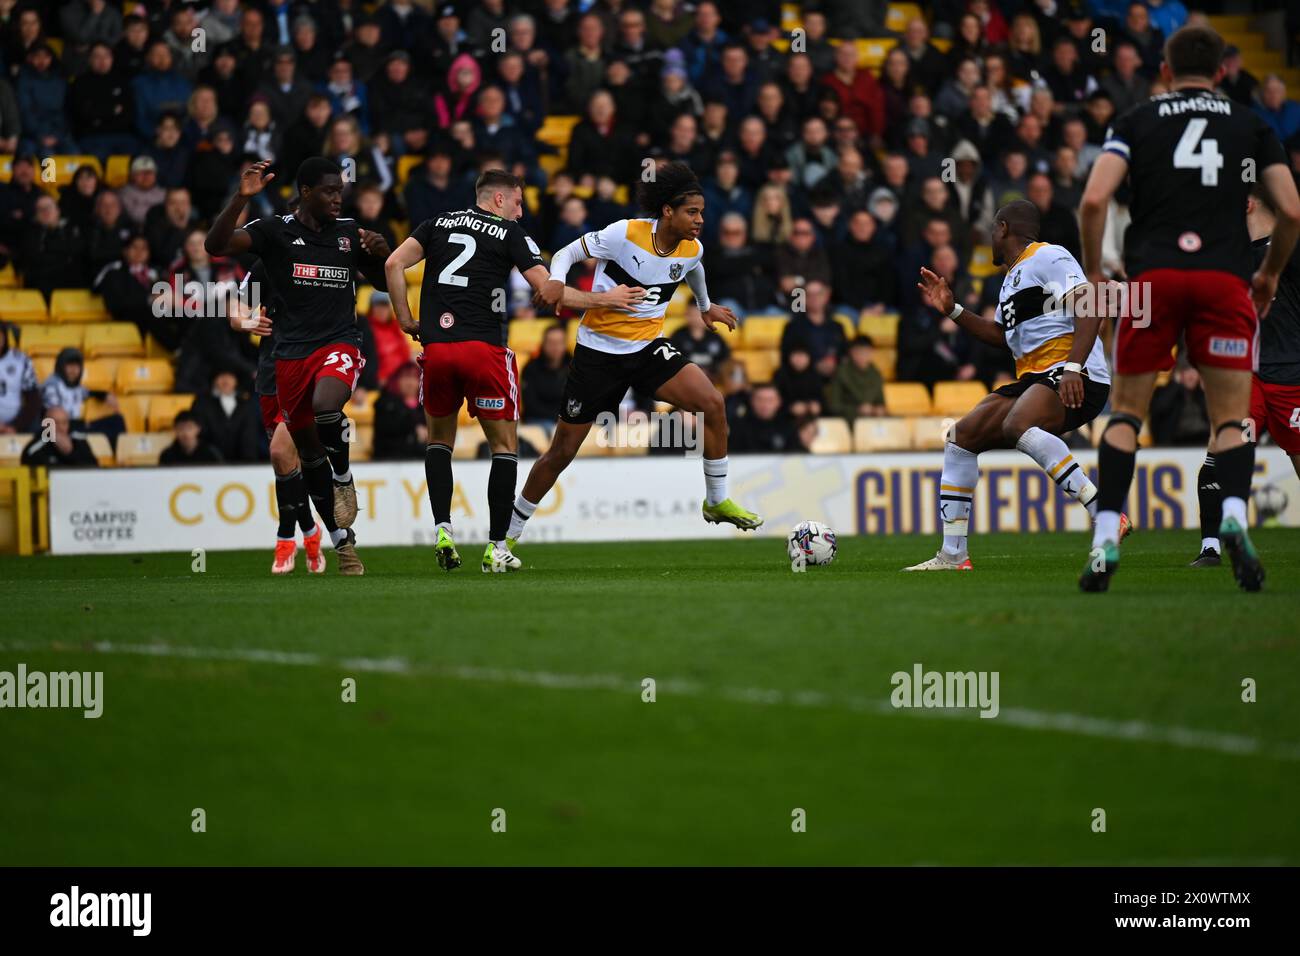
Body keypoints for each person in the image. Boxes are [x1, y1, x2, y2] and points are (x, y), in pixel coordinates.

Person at [1077, 26, 1300, 593]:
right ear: (1222, 71)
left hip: (1154, 279)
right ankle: (1233, 515)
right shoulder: (1250, 124)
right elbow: (1293, 211)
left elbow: (1094, 199)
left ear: (1166, 71)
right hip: (1224, 280)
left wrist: (1096, 272)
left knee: (1126, 414)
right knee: (1230, 421)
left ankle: (1105, 532)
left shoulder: (1135, 119)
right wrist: (1269, 274)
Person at [384, 169, 635, 572]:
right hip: (483, 350)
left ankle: (443, 530)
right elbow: (549, 289)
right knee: (504, 446)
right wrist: (605, 299)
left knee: (439, 442)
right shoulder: (510, 233)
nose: (521, 211)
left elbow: (393, 263)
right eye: (518, 202)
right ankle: (496, 547)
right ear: (499, 200)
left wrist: (406, 319)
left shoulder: (436, 223)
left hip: (437, 350)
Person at [513, 161, 764, 552]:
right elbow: (565, 253)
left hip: (647, 348)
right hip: (598, 353)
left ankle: (716, 501)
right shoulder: (624, 234)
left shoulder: (692, 248)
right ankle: (507, 535)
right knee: (562, 452)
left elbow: (692, 268)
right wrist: (557, 281)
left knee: (712, 403)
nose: (700, 220)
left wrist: (705, 305)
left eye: (701, 213)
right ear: (667, 211)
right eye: (692, 212)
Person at [904, 200, 1122, 571]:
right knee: (961, 438)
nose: (990, 238)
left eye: (992, 230)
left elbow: (1091, 305)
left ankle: (1105, 513)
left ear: (1003, 228)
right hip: (1035, 379)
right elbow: (1001, 336)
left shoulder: (1048, 256)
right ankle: (953, 555)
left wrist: (1073, 368)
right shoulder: (1012, 280)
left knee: (1019, 424)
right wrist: (954, 310)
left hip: (1075, 375)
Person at [205, 157, 393, 576]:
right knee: (304, 456)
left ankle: (334, 485)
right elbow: (216, 249)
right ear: (306, 193)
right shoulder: (274, 236)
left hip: (338, 343)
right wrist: (241, 198)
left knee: (324, 410)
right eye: (330, 192)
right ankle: (336, 540)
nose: (338, 200)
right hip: (284, 358)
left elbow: (381, 281)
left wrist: (382, 255)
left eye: (341, 193)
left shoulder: (348, 234)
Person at [1190, 185, 1300, 568]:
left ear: (1248, 203)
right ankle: (1211, 547)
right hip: (1245, 374)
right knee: (1219, 453)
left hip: (1293, 375)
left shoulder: (1292, 246)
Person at [232, 264, 326, 575]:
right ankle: (311, 531)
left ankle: (285, 538)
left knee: (280, 453)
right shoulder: (267, 268)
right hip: (271, 376)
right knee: (286, 465)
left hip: (306, 374)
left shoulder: (321, 263)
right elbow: (236, 309)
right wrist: (247, 321)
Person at [20, 406, 98, 467]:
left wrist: (70, 453)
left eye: (64, 422)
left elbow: (93, 468)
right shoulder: (35, 448)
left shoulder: (80, 440)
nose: (61, 427)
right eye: (56, 423)